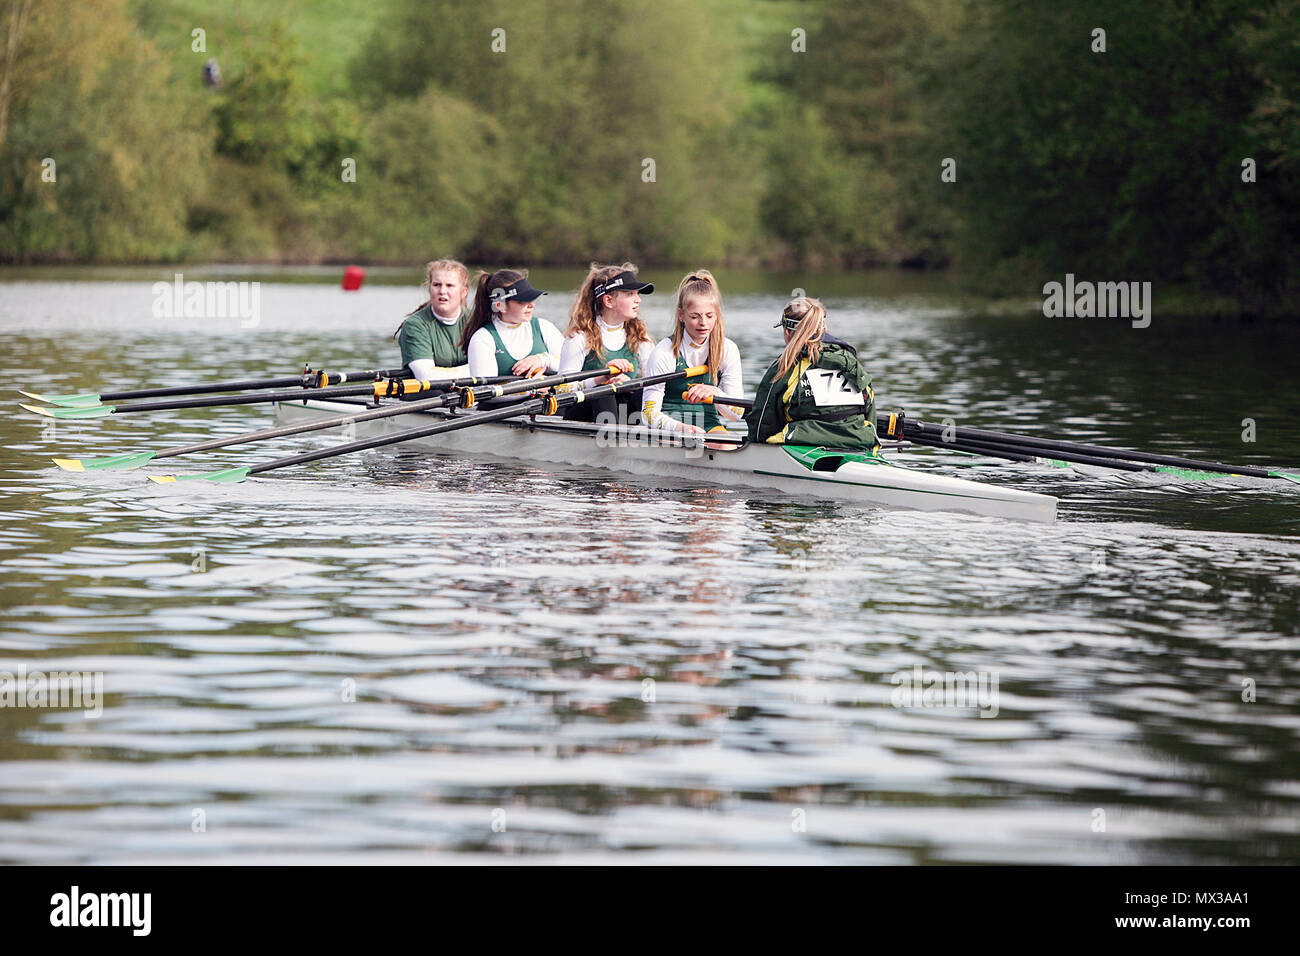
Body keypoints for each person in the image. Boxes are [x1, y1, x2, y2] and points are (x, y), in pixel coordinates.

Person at [745, 296, 878, 450]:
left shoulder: (785, 367)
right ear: (823, 329)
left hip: (803, 444)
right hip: (860, 441)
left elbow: (761, 426)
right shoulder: (850, 361)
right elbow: (870, 406)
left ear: (787, 332)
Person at [641, 270, 744, 435]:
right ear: (681, 315)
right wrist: (681, 428)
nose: (703, 323)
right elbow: (648, 415)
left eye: (709, 316)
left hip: (708, 424)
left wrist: (715, 393)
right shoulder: (664, 351)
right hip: (669, 427)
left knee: (727, 446)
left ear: (717, 315)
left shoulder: (728, 349)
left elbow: (736, 414)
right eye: (695, 316)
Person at [557, 262, 656, 423]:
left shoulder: (641, 338)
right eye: (630, 294)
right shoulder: (579, 338)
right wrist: (600, 379)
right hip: (582, 415)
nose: (638, 300)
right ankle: (612, 445)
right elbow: (562, 390)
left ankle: (636, 441)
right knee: (604, 393)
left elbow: (654, 385)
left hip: (619, 414)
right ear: (608, 301)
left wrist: (631, 384)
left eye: (637, 294)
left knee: (643, 393)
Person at [462, 269, 563, 378]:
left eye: (532, 298)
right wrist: (532, 387)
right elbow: (484, 391)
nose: (531, 305)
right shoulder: (483, 339)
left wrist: (543, 359)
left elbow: (571, 367)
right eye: (522, 300)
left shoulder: (544, 327)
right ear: (500, 306)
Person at [394, 259, 472, 380]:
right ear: (429, 288)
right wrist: (474, 368)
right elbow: (426, 376)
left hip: (467, 390)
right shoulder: (415, 325)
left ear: (464, 291)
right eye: (437, 285)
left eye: (450, 285)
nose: (442, 291)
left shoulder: (476, 320)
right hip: (426, 392)